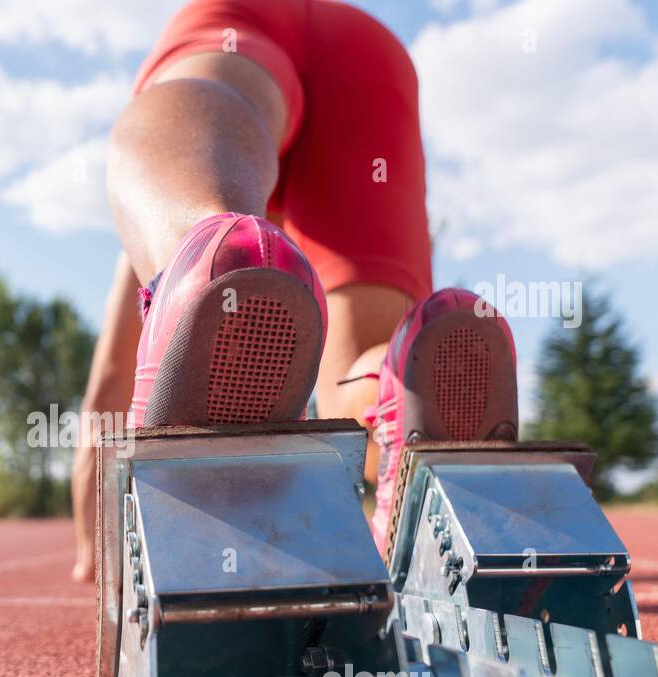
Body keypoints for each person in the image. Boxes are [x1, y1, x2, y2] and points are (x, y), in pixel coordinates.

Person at [71, 0, 518, 582]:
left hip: (249, 14)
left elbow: (107, 384)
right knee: (366, 373)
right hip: (370, 54)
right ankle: (391, 392)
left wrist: (91, 548)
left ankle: (206, 248)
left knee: (203, 247)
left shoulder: (153, 210)